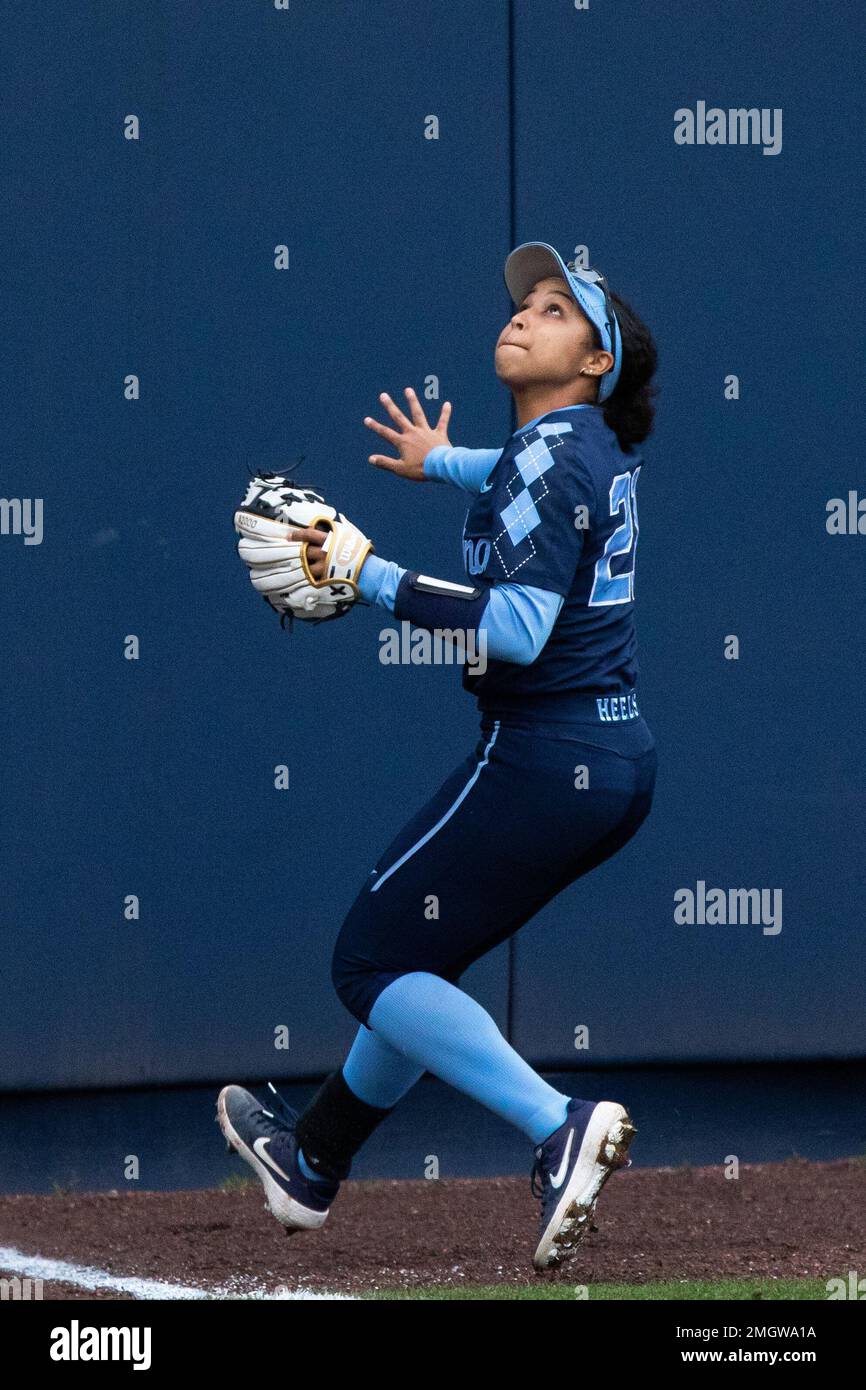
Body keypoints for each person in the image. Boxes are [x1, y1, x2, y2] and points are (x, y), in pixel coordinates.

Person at [218, 240, 660, 1270]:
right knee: (415, 965)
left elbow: (511, 629)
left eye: (555, 312)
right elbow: (520, 474)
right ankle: (311, 1157)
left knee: (371, 961)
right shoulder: (578, 446)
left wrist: (369, 571)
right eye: (523, 303)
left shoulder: (552, 458)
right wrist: (439, 465)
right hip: (605, 758)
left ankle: (558, 1125)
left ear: (594, 365)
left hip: (546, 755)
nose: (523, 316)